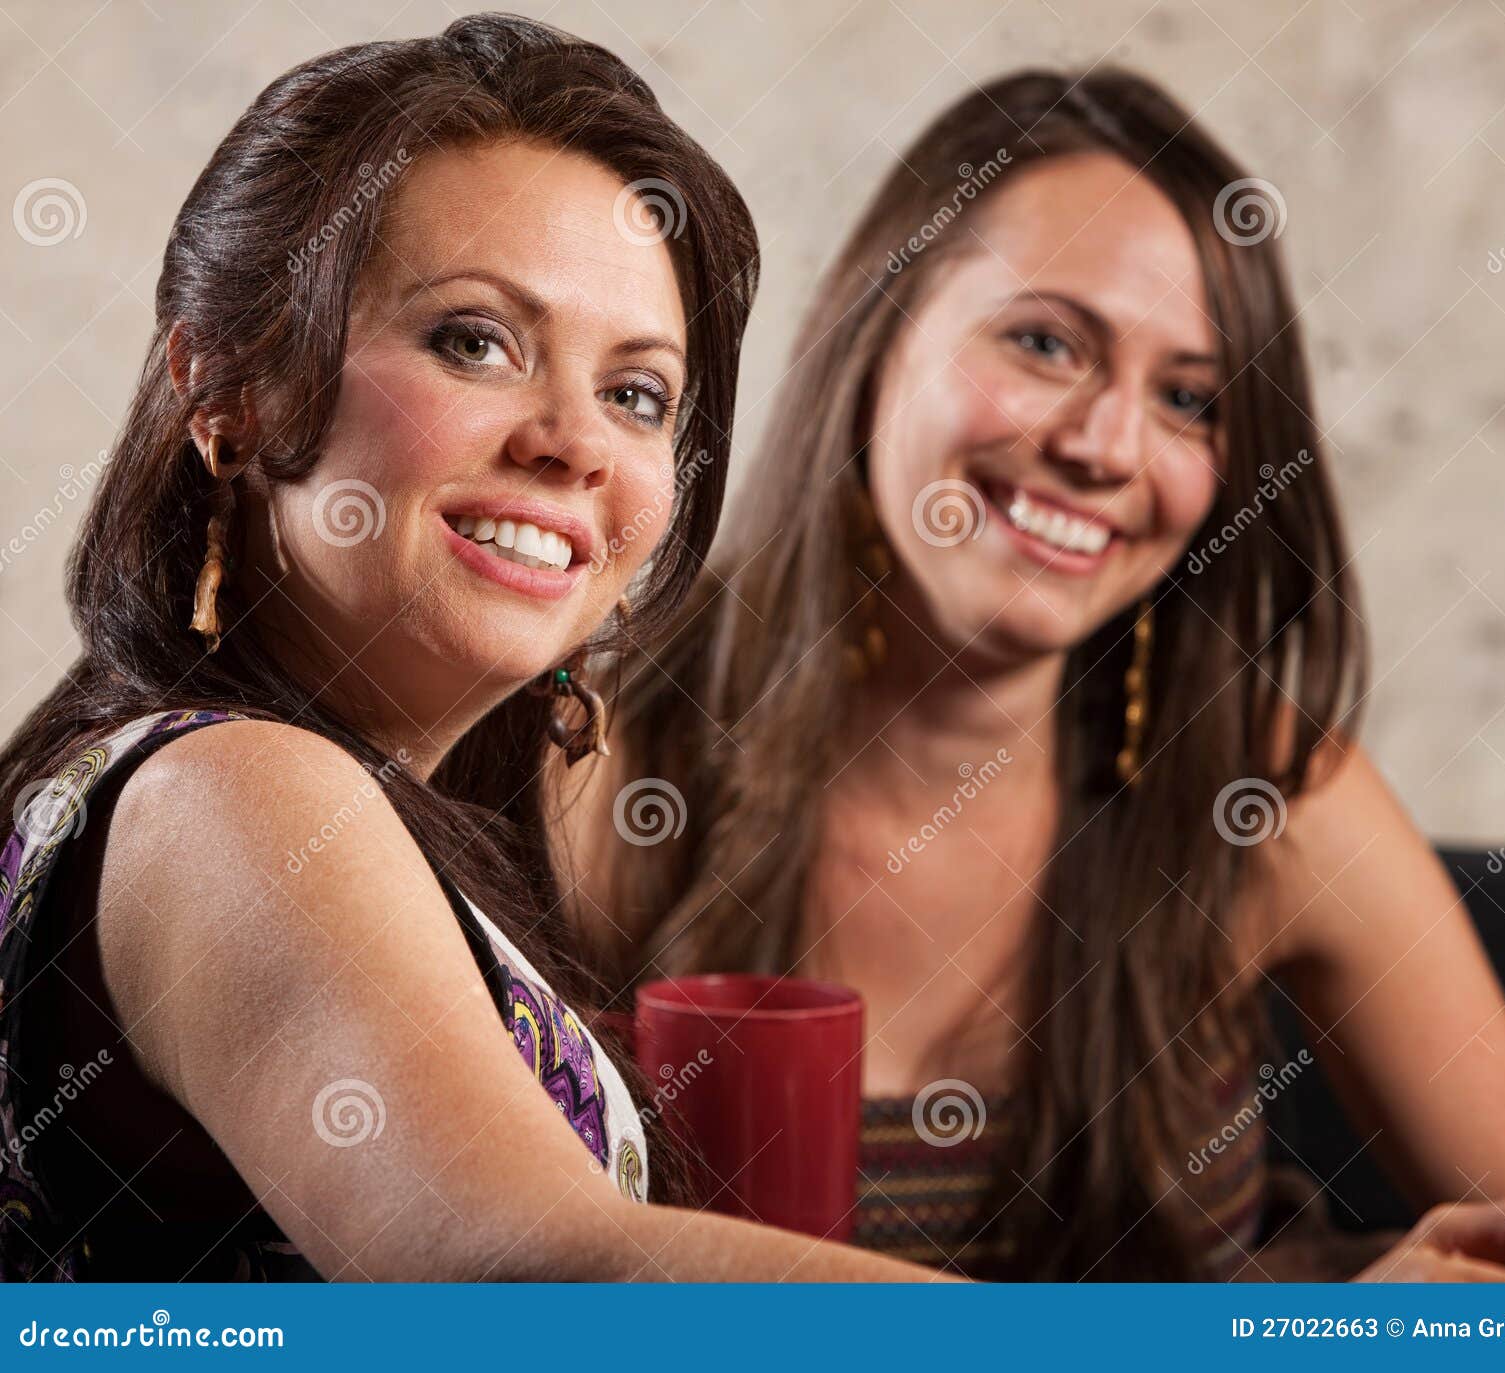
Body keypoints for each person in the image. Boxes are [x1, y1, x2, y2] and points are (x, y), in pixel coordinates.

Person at [553, 68, 1505, 1282]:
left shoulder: (1262, 791)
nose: (1105, 446)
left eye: (1188, 400)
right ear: (876, 333)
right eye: (1044, 341)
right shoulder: (604, 758)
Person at [0, 13, 943, 1283]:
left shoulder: (329, 799)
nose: (575, 441)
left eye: (637, 393)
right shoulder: (231, 792)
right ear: (230, 390)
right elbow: (522, 1272)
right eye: (475, 340)